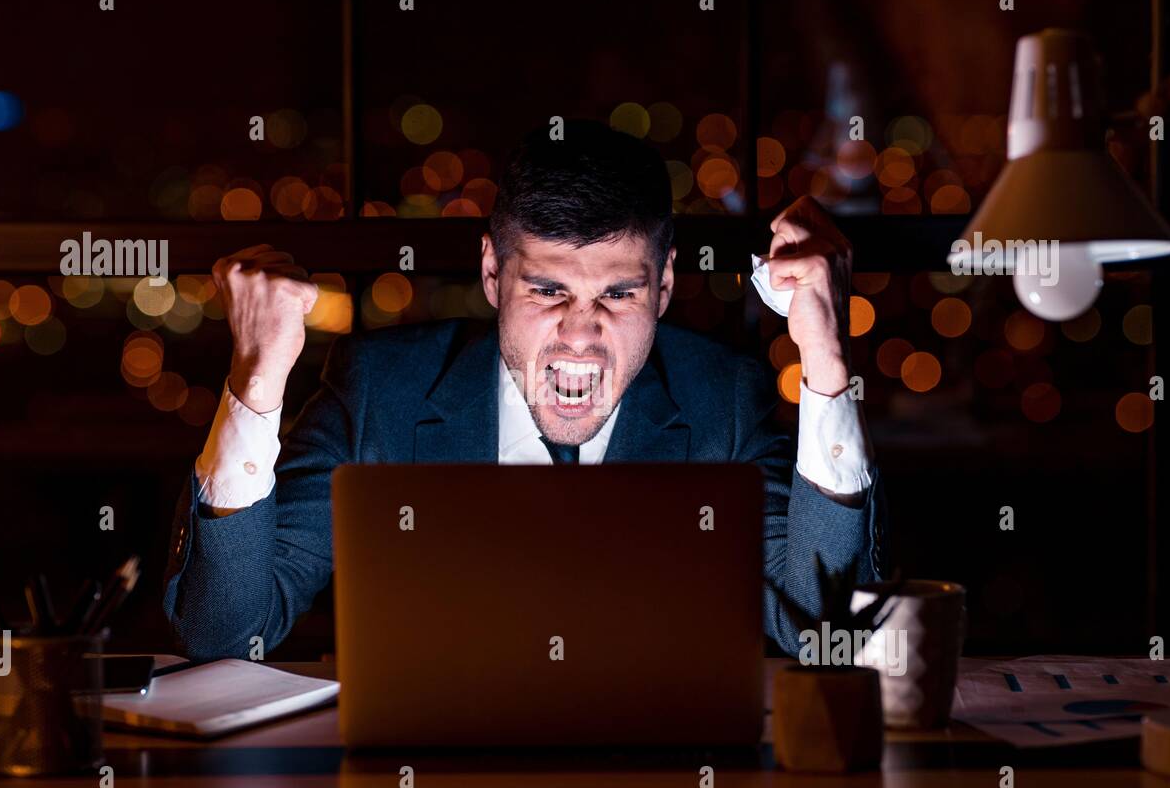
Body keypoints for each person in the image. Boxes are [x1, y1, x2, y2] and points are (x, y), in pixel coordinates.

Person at [162, 120, 888, 660]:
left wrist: (826, 362)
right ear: (492, 276)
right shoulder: (382, 392)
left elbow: (828, 635)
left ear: (663, 286)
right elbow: (223, 631)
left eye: (618, 293)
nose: (581, 334)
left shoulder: (720, 401)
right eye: (546, 288)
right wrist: (256, 382)